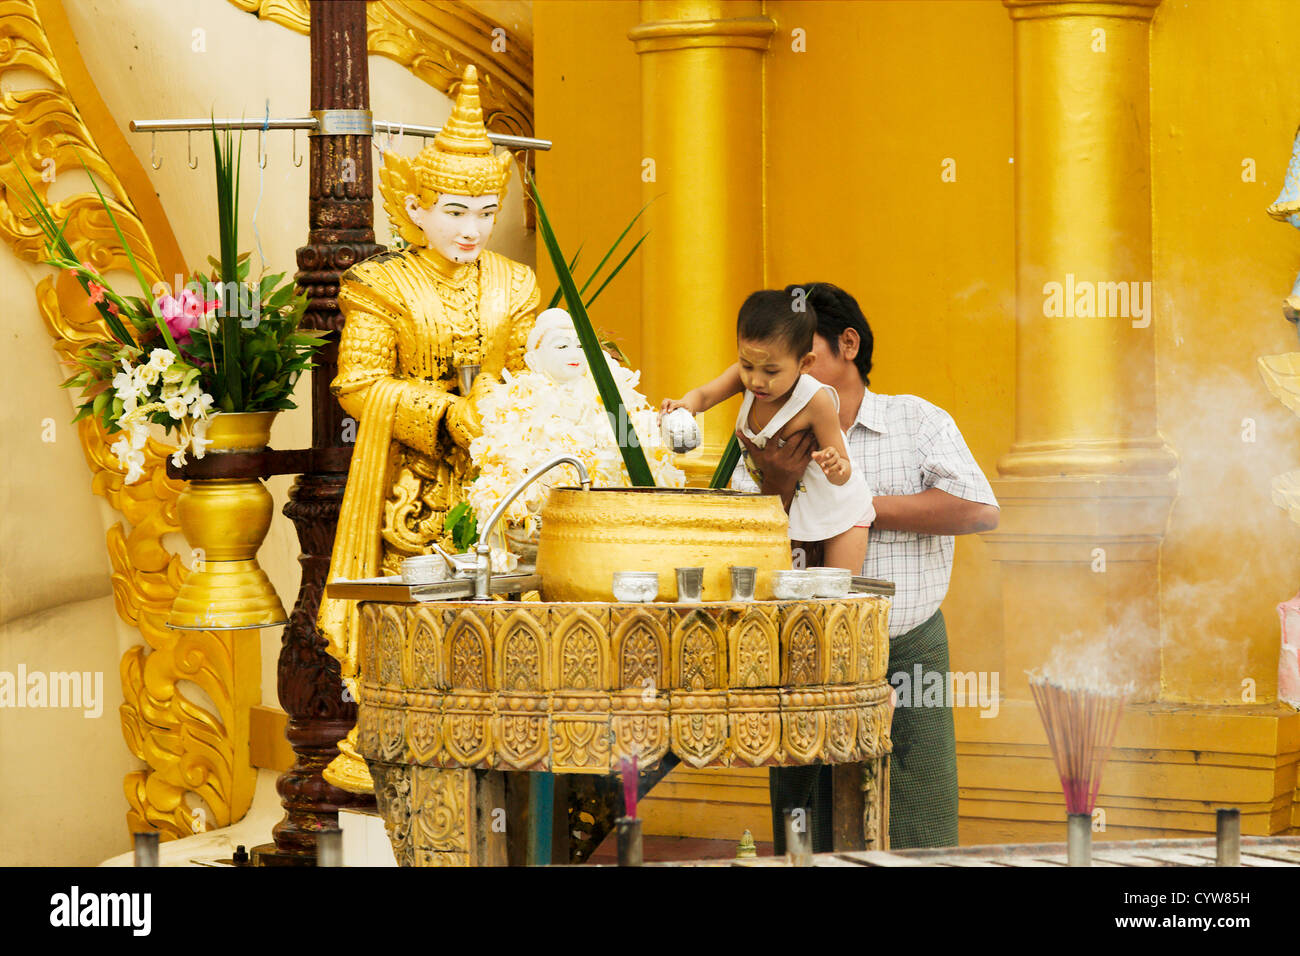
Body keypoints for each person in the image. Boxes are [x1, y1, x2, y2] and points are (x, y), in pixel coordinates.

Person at [316, 65, 539, 793]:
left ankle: (498, 737)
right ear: (414, 208)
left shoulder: (517, 284)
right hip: (409, 490)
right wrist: (443, 413)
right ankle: (391, 741)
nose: (471, 228)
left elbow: (532, 373)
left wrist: (512, 412)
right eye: (453, 211)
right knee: (408, 615)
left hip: (498, 482)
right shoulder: (380, 284)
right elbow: (357, 385)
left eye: (484, 210)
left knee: (504, 614)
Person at [743, 281, 999, 851]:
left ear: (849, 345)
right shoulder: (764, 432)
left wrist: (857, 508)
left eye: (806, 354)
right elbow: (748, 546)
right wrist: (781, 484)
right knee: (807, 830)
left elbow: (981, 511)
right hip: (806, 655)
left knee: (917, 827)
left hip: (907, 650)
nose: (789, 370)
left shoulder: (917, 421)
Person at [661, 289, 874, 571]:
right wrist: (684, 405)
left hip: (841, 506)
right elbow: (704, 395)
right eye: (747, 365)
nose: (757, 380)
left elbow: (843, 470)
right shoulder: (744, 377)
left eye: (771, 372)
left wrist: (836, 466)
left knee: (839, 597)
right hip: (790, 503)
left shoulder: (816, 401)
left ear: (805, 364)